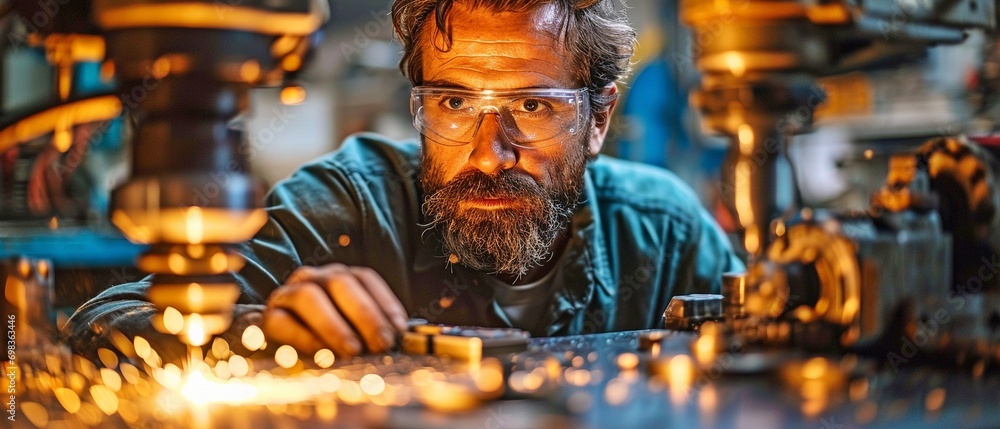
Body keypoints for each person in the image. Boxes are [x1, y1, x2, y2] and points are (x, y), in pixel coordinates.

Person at [67, 0, 743, 358]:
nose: (488, 154)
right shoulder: (348, 204)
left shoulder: (664, 234)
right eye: (454, 104)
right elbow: (102, 320)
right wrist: (256, 324)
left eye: (530, 106)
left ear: (599, 118)